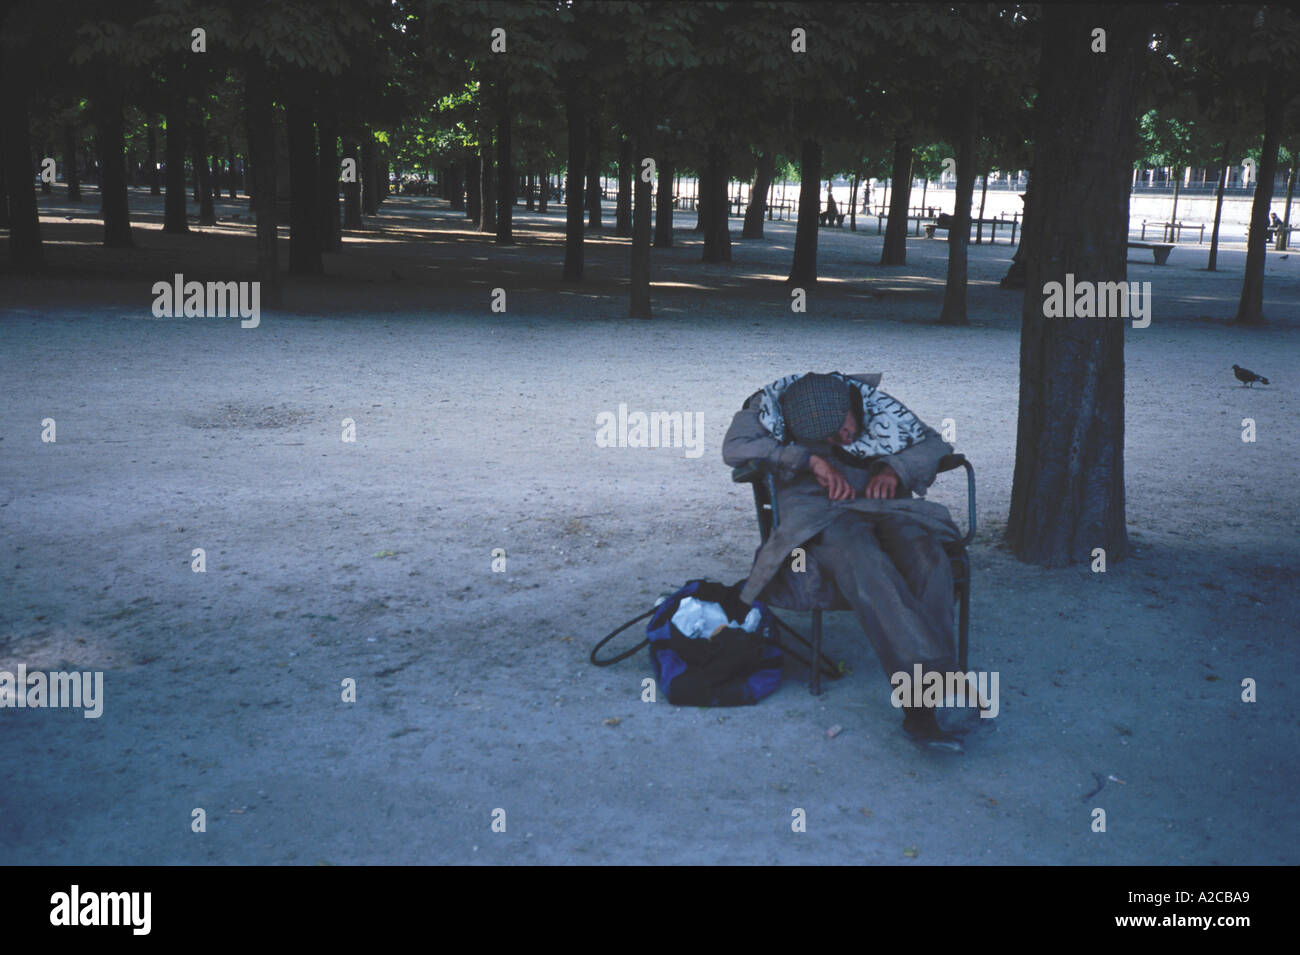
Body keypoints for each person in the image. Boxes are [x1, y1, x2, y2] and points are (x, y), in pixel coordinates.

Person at [723, 372, 971, 752]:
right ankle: (922, 704)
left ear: (852, 407)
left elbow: (934, 444)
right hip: (820, 514)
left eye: (843, 428)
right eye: (825, 438)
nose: (839, 440)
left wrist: (894, 469)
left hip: (886, 505)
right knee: (864, 560)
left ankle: (934, 685)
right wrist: (807, 460)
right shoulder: (768, 408)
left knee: (927, 555)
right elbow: (734, 450)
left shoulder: (875, 403)